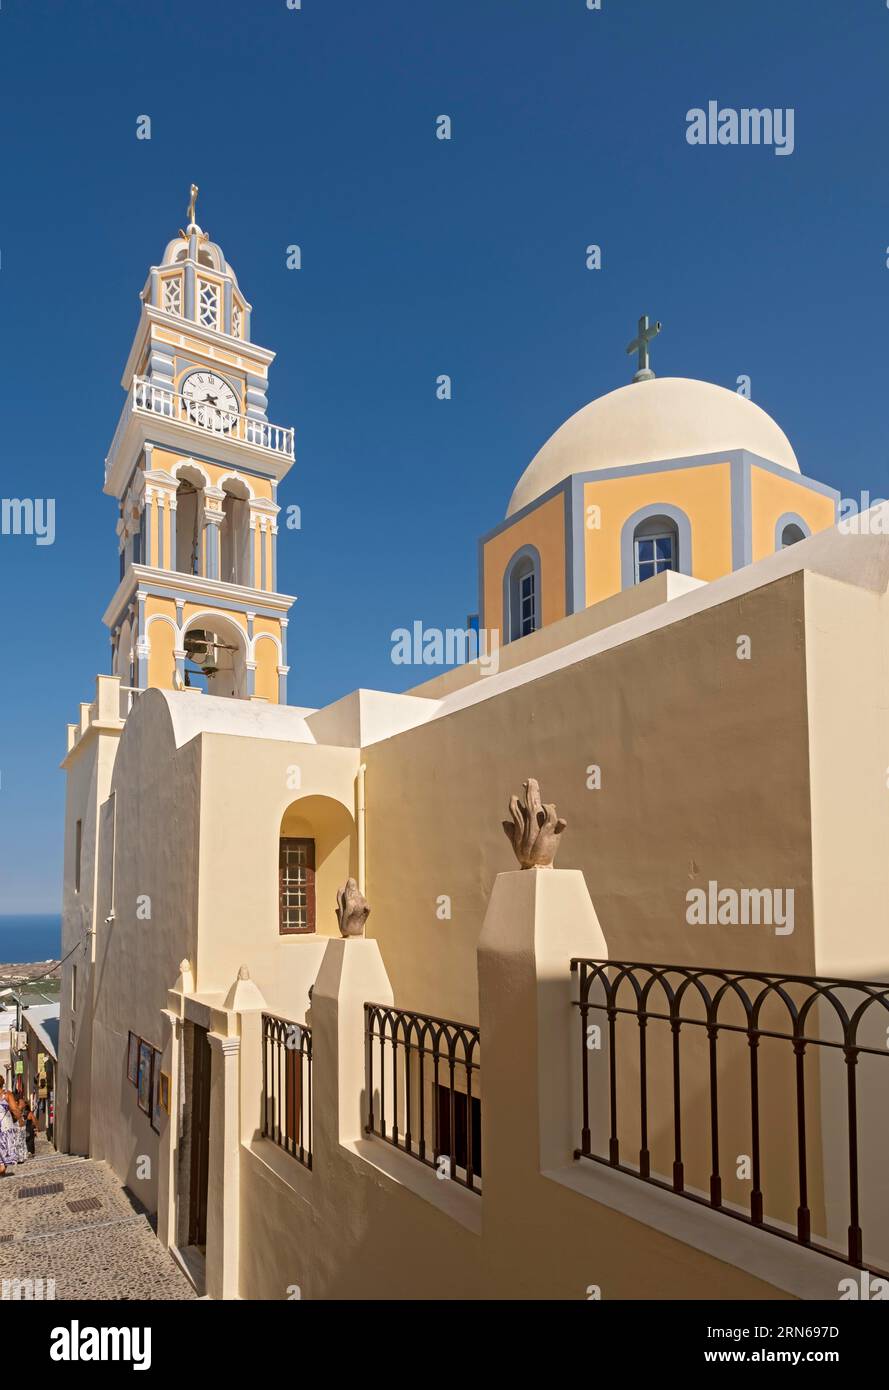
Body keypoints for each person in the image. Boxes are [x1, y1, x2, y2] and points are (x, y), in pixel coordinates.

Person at [0, 1074, 22, 1175]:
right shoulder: (7, 1094)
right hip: (6, 1126)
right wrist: (20, 1119)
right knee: (5, 1146)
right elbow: (14, 1109)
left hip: (3, 1126)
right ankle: (2, 1166)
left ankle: (1, 1166)